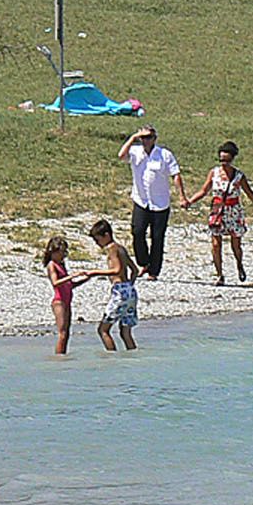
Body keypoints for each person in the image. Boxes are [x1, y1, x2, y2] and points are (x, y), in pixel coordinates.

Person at [184, 141, 253, 285]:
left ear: (232, 159)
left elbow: (250, 194)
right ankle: (219, 274)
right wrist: (190, 201)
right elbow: (203, 191)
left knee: (235, 244)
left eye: (227, 160)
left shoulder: (239, 176)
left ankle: (239, 264)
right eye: (221, 160)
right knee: (216, 243)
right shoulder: (214, 173)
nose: (224, 163)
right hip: (218, 211)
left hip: (234, 212)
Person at [119, 125, 187, 281]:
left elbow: (175, 175)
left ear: (155, 138)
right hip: (141, 200)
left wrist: (182, 196)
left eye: (149, 137)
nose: (145, 140)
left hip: (160, 202)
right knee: (137, 231)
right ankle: (143, 262)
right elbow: (121, 155)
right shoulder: (135, 151)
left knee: (157, 237)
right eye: (143, 137)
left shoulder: (164, 154)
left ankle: (154, 271)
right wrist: (133, 137)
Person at [83, 219, 140, 351]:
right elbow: (135, 270)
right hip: (130, 291)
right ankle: (133, 359)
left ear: (106, 235)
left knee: (103, 330)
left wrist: (94, 272)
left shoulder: (112, 248)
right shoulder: (121, 248)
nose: (97, 244)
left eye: (98, 240)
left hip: (120, 292)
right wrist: (129, 285)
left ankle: (112, 360)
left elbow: (117, 270)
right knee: (125, 332)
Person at [40, 235, 90, 355]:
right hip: (59, 301)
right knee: (62, 333)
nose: (63, 255)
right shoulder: (52, 265)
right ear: (53, 252)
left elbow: (70, 285)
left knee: (67, 333)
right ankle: (58, 357)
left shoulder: (62, 265)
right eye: (61, 252)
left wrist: (85, 279)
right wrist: (72, 276)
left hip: (67, 301)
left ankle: (63, 356)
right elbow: (55, 283)